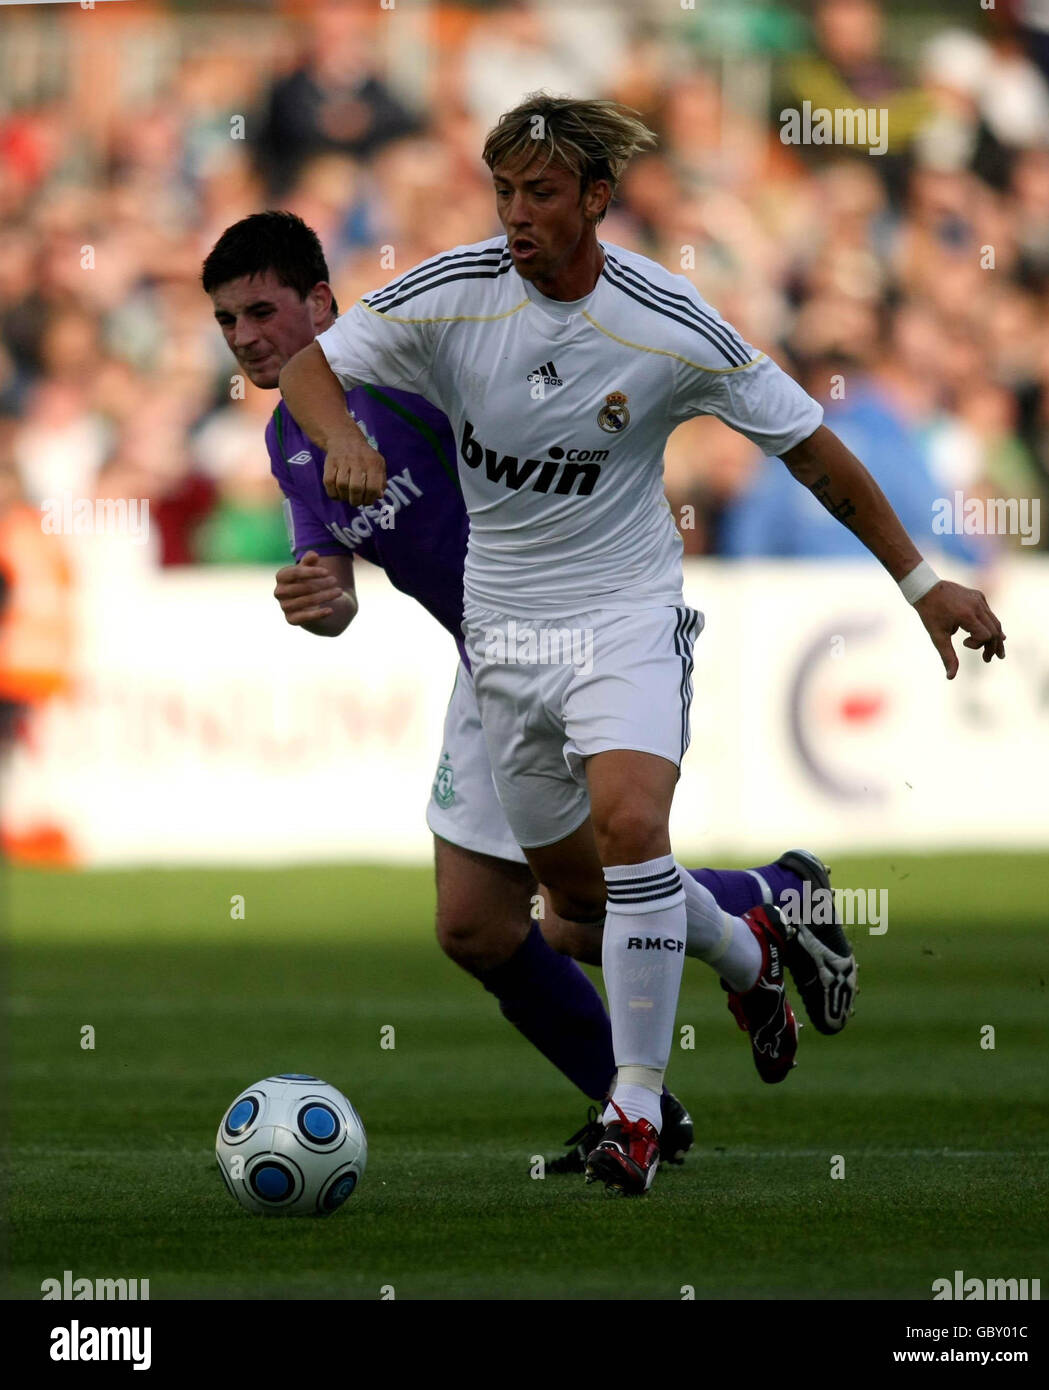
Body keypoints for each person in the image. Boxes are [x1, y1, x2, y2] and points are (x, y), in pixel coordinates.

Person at [212, 204, 865, 1191]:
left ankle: (760, 916)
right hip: (491, 664)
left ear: (320, 302)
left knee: (584, 907)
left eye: (261, 309)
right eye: (226, 321)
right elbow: (333, 573)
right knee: (483, 924)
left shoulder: (419, 366)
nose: (246, 336)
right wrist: (322, 595)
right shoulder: (287, 440)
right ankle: (658, 1075)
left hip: (576, 636)